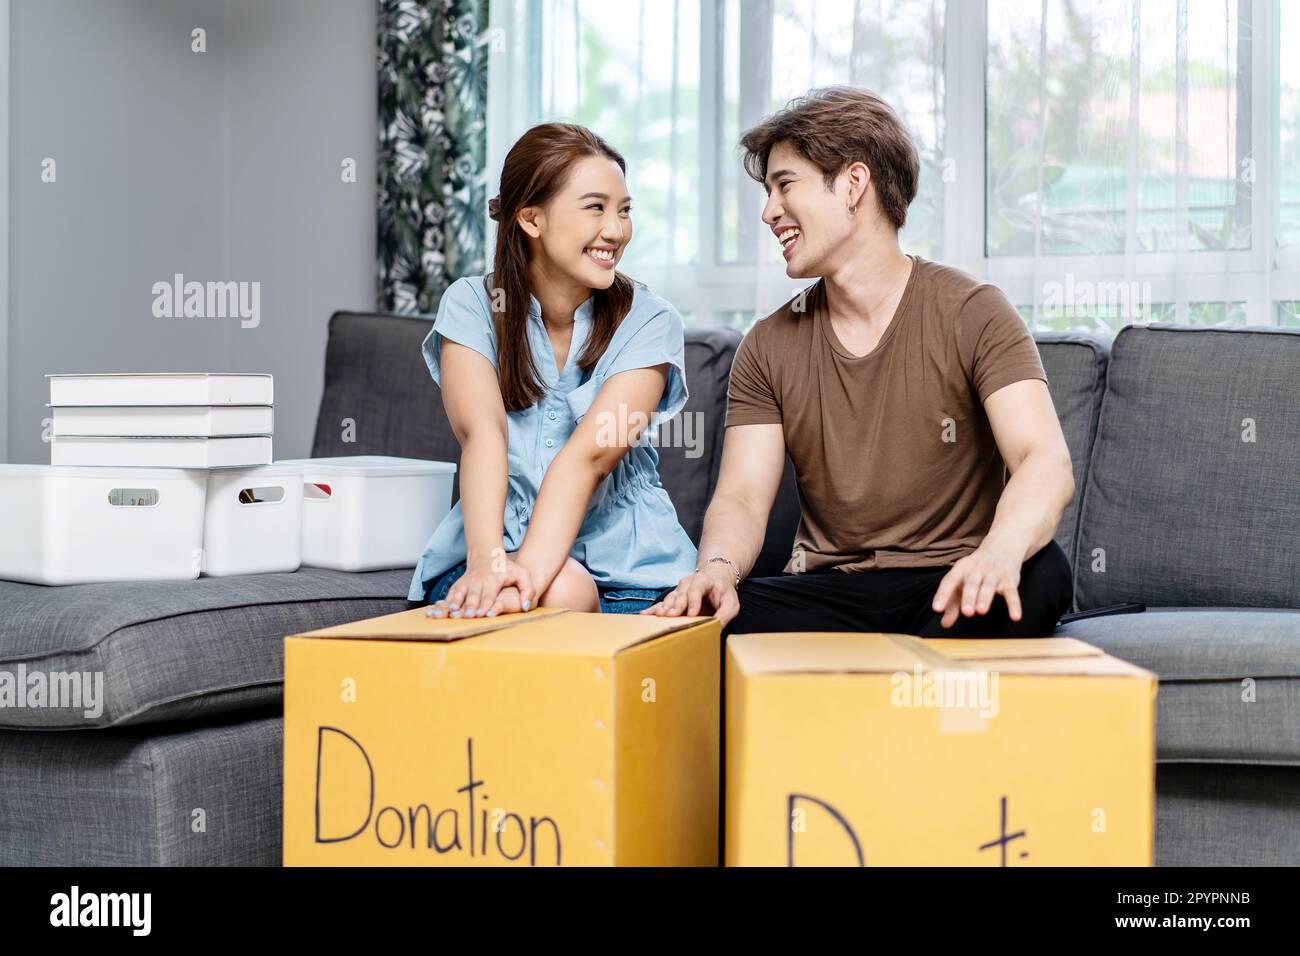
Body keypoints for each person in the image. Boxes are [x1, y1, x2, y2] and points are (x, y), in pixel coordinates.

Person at [644, 86, 1075, 637]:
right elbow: (743, 497)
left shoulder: (973, 311)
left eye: (784, 185)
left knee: (1040, 575)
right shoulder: (768, 345)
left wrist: (998, 554)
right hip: (833, 591)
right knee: (710, 624)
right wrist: (717, 573)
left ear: (853, 184)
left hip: (953, 582)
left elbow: (1044, 461)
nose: (769, 211)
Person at [408, 122, 697, 618]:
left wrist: (526, 581)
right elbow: (484, 434)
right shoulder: (472, 306)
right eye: (595, 208)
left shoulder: (650, 322)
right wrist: (489, 564)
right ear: (531, 219)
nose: (617, 229)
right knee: (558, 590)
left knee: (560, 589)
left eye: (624, 210)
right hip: (493, 556)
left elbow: (590, 456)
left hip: (632, 576)